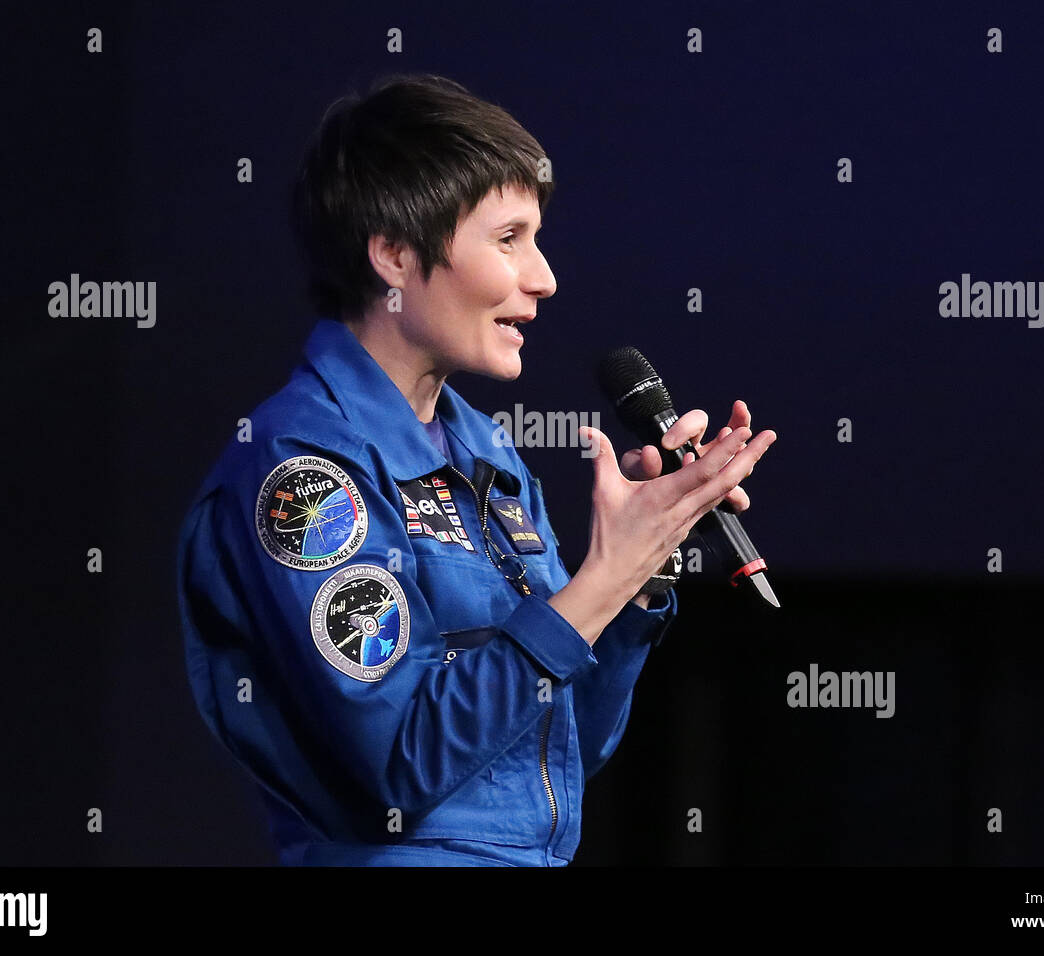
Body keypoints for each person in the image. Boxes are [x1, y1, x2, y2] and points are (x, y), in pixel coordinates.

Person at [176, 74, 776, 866]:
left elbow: (566, 748)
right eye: (508, 239)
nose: (544, 276)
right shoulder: (302, 470)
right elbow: (399, 762)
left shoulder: (487, 452)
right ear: (392, 252)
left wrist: (641, 570)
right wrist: (598, 581)